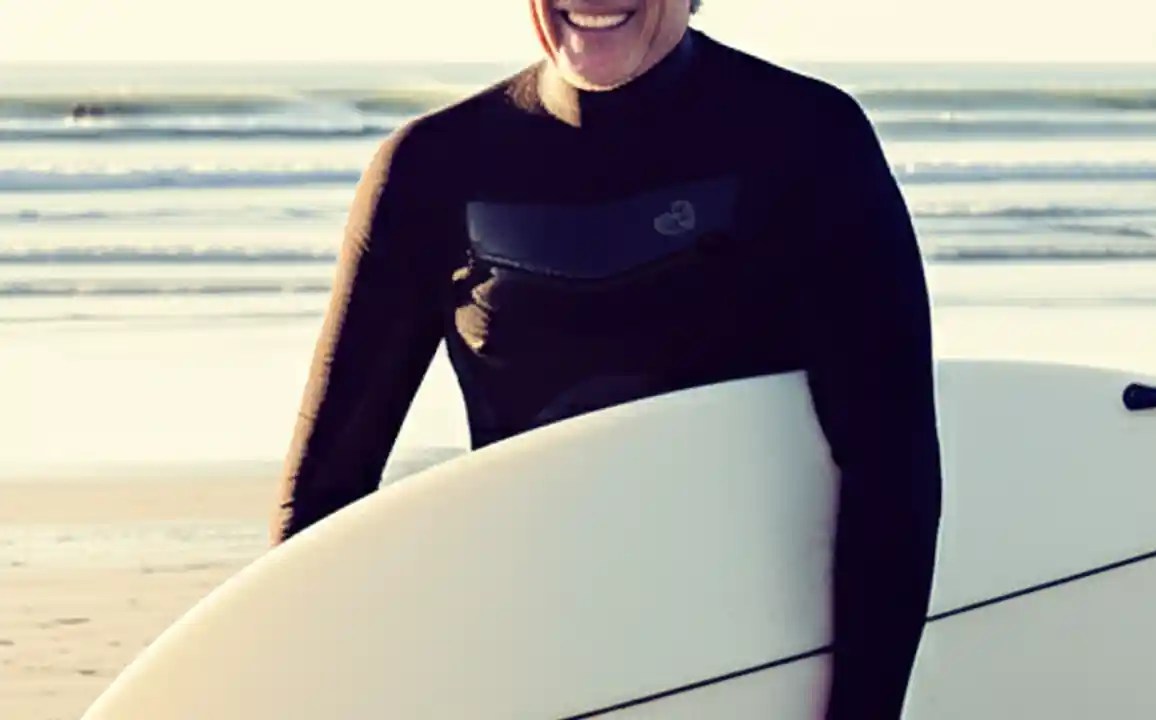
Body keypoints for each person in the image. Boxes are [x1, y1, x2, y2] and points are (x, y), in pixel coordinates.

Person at [270, 0, 943, 717]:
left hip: (748, 662)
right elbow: (325, 495)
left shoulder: (808, 143)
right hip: (536, 663)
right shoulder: (431, 169)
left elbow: (889, 469)